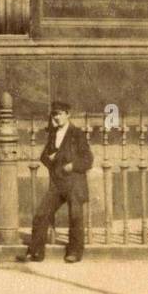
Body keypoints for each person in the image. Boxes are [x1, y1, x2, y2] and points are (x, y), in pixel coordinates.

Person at [22, 102, 93, 264]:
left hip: (74, 183)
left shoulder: (77, 134)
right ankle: (36, 252)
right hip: (58, 184)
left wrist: (72, 165)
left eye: (60, 113)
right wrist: (51, 159)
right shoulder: (53, 134)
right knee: (41, 214)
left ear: (68, 114)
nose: (57, 117)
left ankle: (74, 252)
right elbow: (43, 157)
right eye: (54, 114)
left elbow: (88, 159)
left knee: (75, 217)